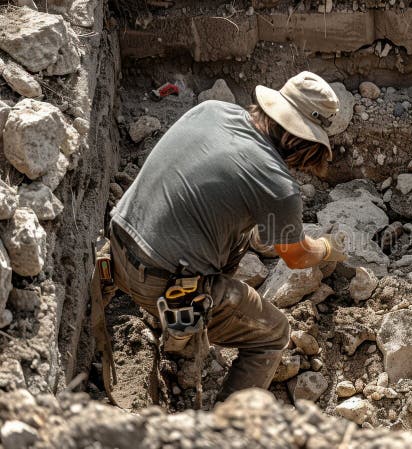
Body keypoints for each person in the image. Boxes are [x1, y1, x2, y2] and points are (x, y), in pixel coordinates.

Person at [107, 71, 346, 401]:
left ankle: (182, 333)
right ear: (303, 140)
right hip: (156, 284)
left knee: (239, 238)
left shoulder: (213, 110)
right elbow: (297, 256)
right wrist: (328, 248)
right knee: (273, 332)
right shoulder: (277, 186)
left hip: (117, 242)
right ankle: (228, 429)